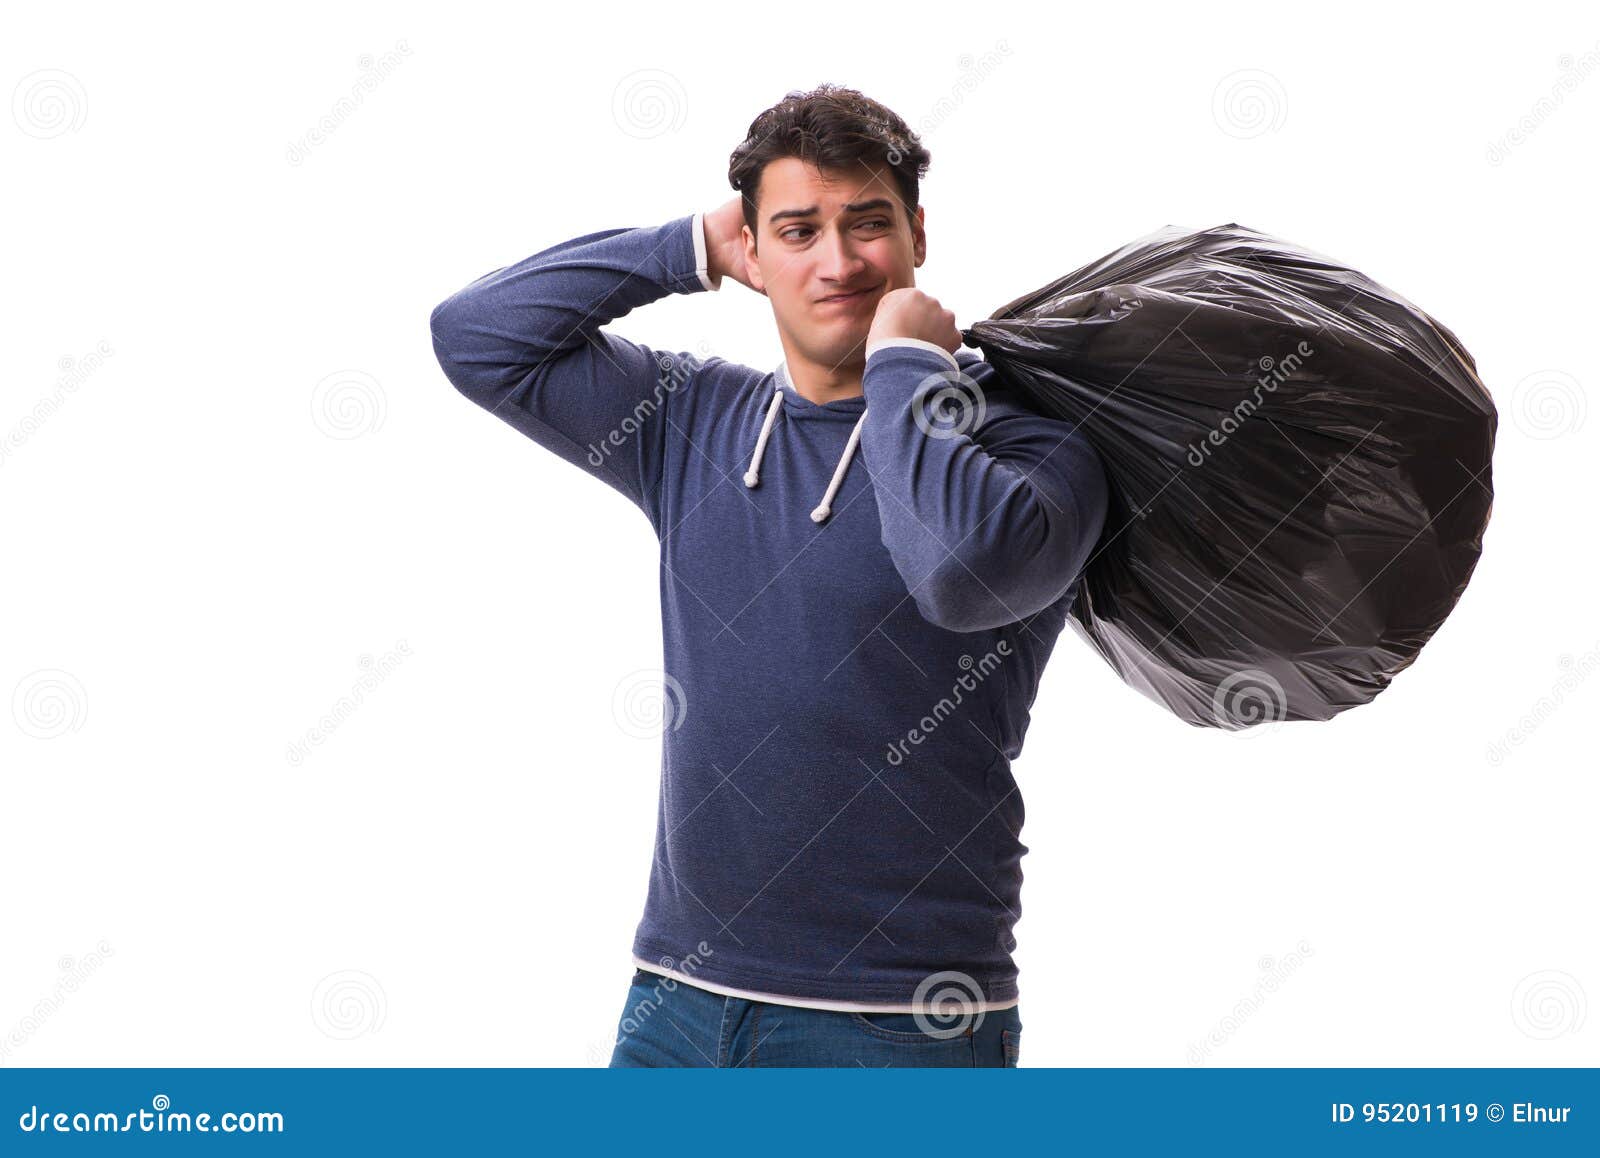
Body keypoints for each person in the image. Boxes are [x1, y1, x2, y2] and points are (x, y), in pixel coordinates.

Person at [428, 84, 1109, 1067]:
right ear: (753, 252)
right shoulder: (692, 419)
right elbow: (476, 336)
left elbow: (959, 575)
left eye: (868, 224)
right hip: (676, 1004)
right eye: (797, 231)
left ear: (918, 236)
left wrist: (905, 367)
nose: (839, 262)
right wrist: (689, 246)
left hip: (901, 1025)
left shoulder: (1029, 446)